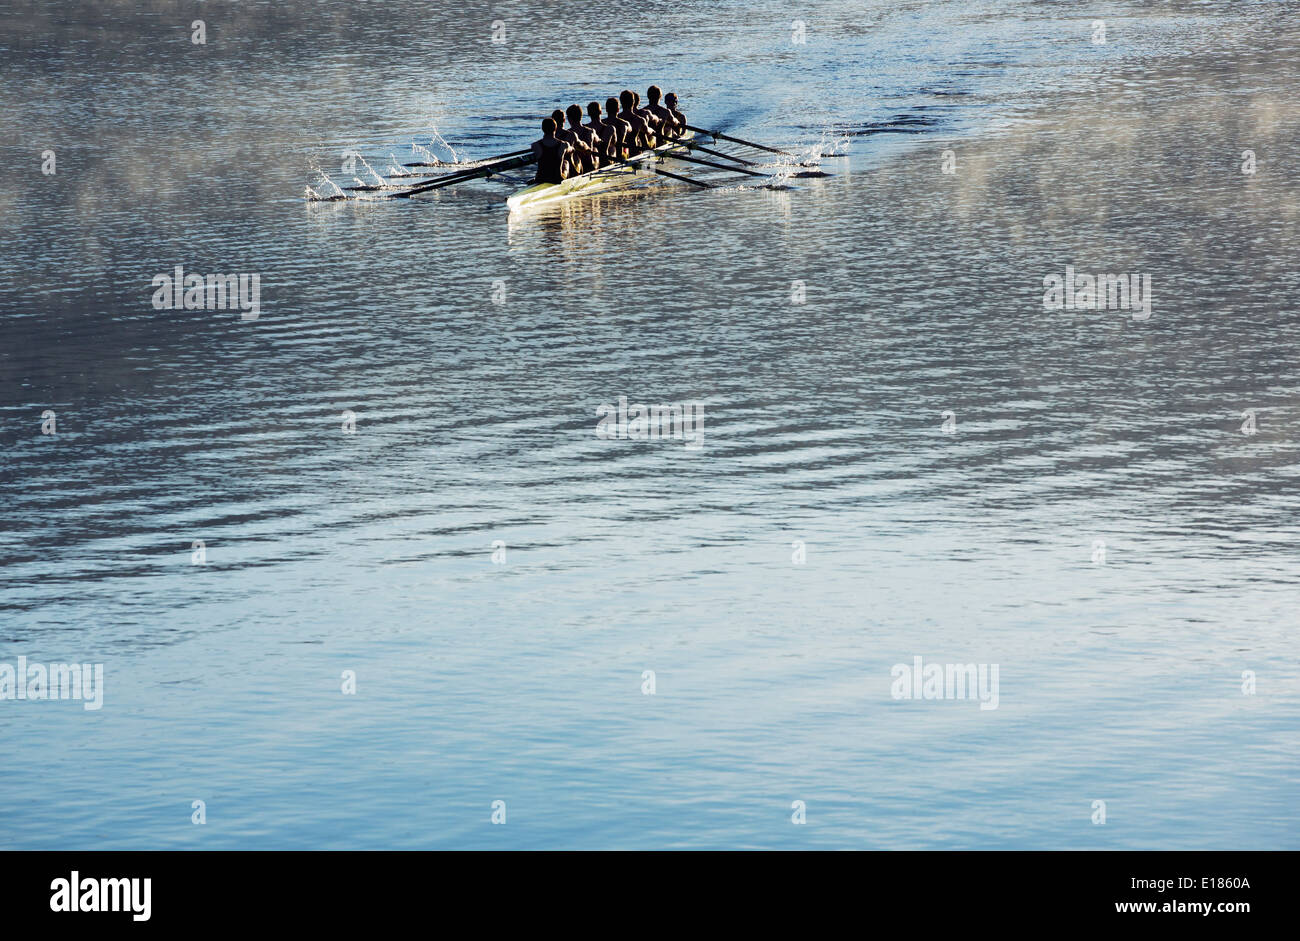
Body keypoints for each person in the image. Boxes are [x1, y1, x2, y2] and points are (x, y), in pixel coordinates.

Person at [531, 117, 573, 184]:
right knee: (566, 162)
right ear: (555, 128)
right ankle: (570, 181)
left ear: (542, 129)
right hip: (557, 180)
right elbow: (572, 150)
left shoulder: (535, 145)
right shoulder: (564, 145)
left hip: (540, 179)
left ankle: (534, 180)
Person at [565, 103, 602, 173]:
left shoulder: (567, 133)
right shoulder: (590, 131)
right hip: (590, 166)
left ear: (569, 119)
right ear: (581, 117)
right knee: (595, 149)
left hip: (576, 167)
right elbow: (599, 142)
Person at [618, 89, 653, 154]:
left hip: (620, 151)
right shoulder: (639, 120)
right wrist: (653, 131)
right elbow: (647, 131)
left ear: (621, 102)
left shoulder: (617, 118)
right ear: (633, 102)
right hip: (634, 152)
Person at [586, 100, 620, 166]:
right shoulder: (610, 128)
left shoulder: (585, 128)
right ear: (601, 112)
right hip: (606, 161)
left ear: (588, 114)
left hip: (593, 160)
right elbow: (614, 142)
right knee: (613, 147)